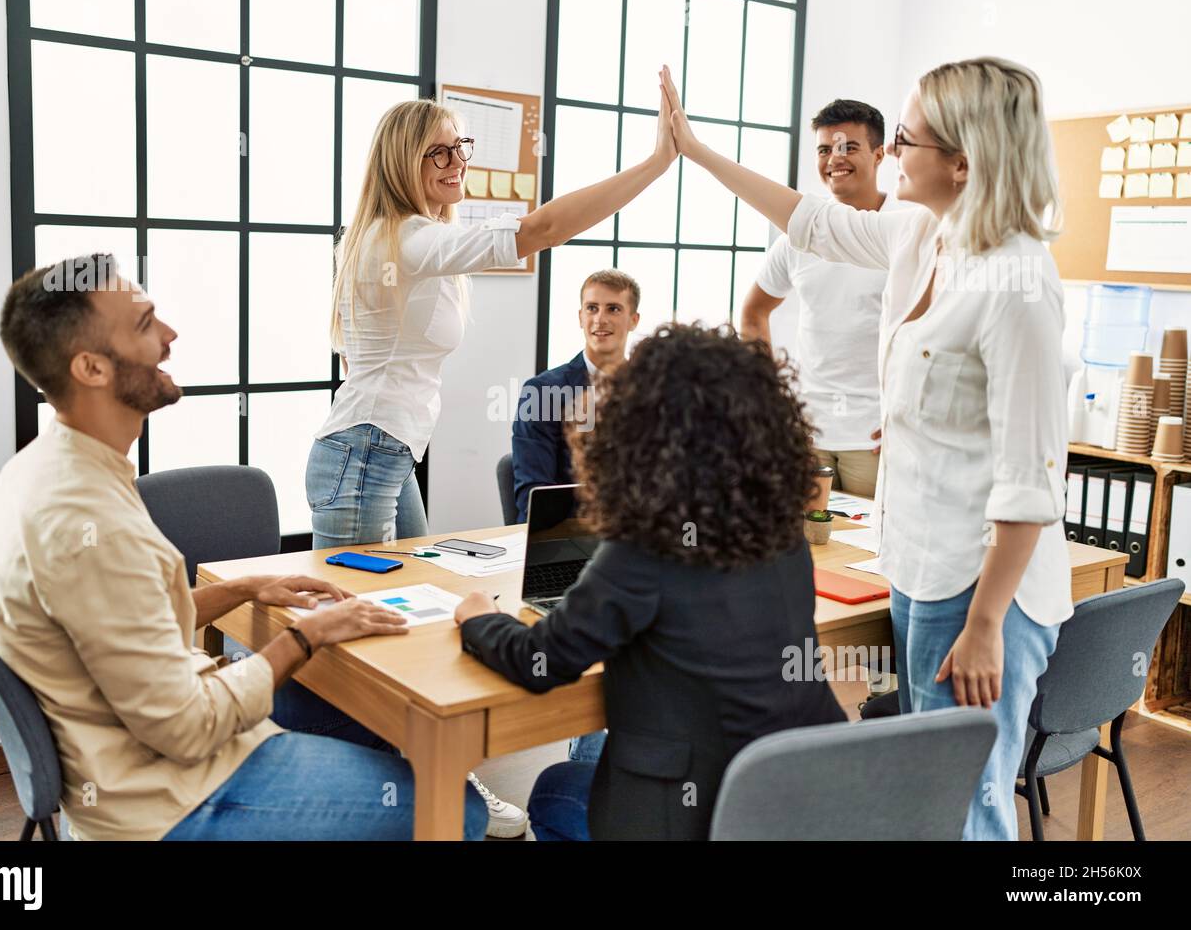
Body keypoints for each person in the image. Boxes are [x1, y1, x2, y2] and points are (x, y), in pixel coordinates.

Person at [662, 58, 1069, 840]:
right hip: (916, 560)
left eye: (903, 139)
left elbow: (1029, 483)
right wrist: (697, 151)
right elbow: (809, 221)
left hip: (983, 588)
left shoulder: (1018, 284)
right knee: (927, 795)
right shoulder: (926, 233)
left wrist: (985, 624)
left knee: (972, 803)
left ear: (964, 161)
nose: (887, 154)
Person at [0, 253, 487, 840]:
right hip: (173, 799)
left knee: (387, 716)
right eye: (145, 325)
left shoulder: (61, 466)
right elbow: (188, 727)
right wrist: (309, 634)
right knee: (458, 809)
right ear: (91, 367)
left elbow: (124, 626)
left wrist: (245, 589)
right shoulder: (82, 517)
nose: (170, 336)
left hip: (163, 740)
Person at [308, 77, 678, 835]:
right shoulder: (405, 236)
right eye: (436, 151)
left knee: (425, 613)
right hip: (364, 456)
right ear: (401, 161)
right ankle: (372, 812)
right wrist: (650, 167)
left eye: (459, 147)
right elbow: (537, 229)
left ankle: (448, 791)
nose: (454, 162)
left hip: (386, 452)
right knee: (356, 658)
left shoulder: (406, 235)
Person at [455, 323, 848, 840]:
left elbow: (539, 661)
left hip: (690, 815)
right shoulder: (778, 526)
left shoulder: (644, 550)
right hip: (801, 794)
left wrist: (479, 616)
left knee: (553, 788)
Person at [740, 98, 903, 499]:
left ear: (879, 154)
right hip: (807, 435)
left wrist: (914, 416)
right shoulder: (799, 238)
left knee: (872, 554)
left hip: (878, 438)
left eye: (849, 147)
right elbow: (753, 312)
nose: (835, 158)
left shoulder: (904, 232)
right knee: (805, 551)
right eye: (825, 149)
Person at [512, 268, 641, 523]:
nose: (600, 319)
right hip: (565, 540)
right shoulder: (542, 392)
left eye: (613, 309)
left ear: (633, 320)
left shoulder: (650, 390)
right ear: (581, 317)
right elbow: (534, 497)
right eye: (592, 308)